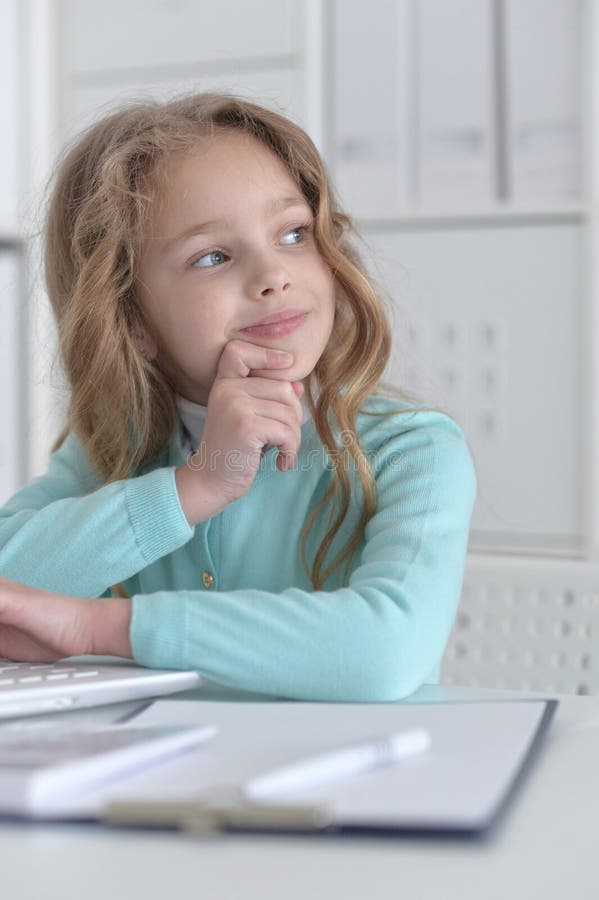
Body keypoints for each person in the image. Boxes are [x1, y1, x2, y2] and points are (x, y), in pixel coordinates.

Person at [0, 93, 476, 701]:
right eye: (213, 256)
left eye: (294, 233)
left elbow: (385, 651)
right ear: (131, 319)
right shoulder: (117, 448)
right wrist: (194, 488)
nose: (273, 274)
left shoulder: (411, 449)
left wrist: (100, 628)